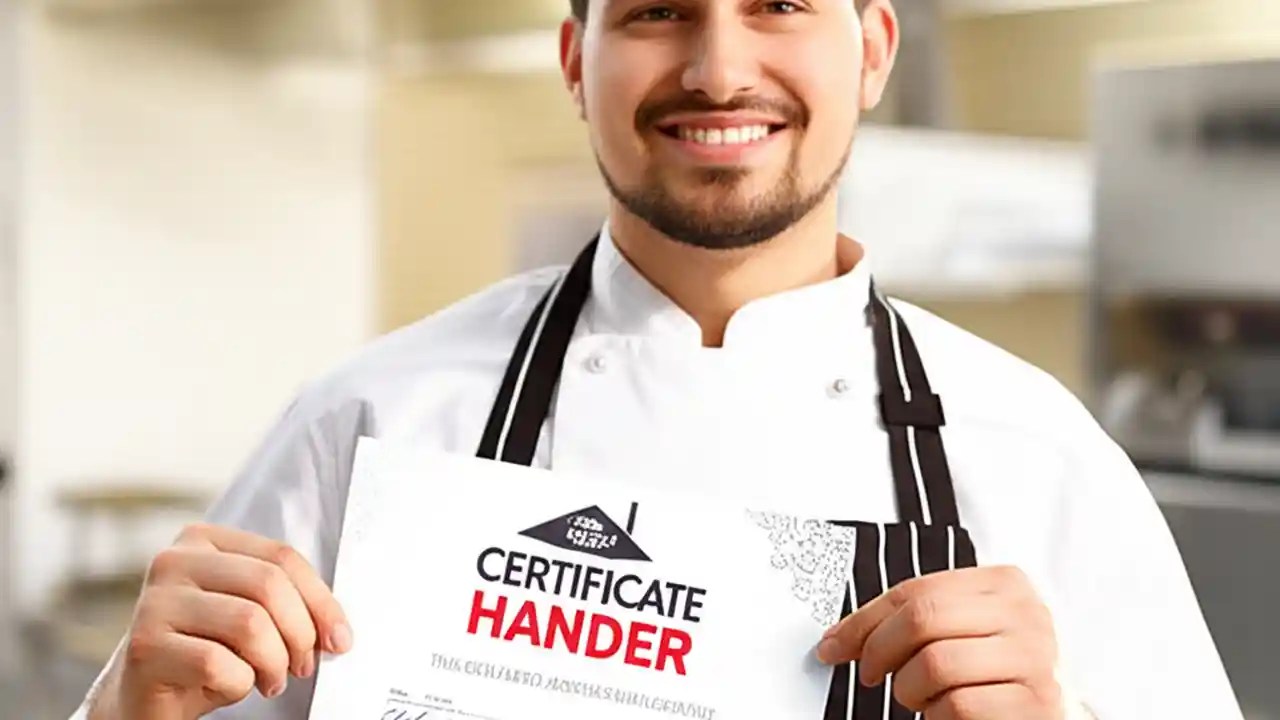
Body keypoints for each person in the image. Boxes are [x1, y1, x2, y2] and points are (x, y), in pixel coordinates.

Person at [74, 0, 1243, 718]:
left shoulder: (1044, 459)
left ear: (873, 49)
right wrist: (133, 704)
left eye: (779, 2)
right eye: (655, 12)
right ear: (577, 59)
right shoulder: (369, 420)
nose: (718, 69)